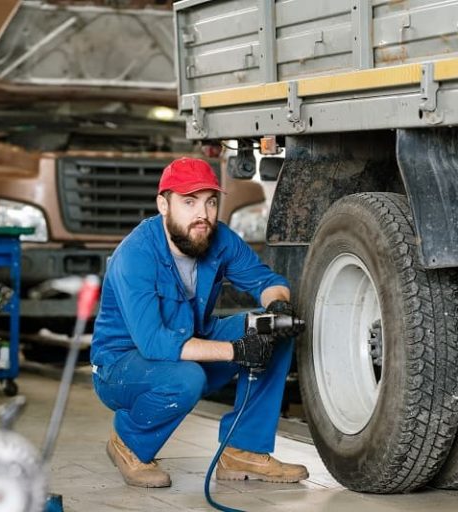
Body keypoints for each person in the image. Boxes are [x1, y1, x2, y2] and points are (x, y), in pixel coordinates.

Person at [90, 157, 308, 488]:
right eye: (189, 202)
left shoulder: (218, 239)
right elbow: (153, 342)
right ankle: (129, 443)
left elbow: (265, 281)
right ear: (163, 205)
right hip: (121, 367)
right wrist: (237, 350)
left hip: (191, 344)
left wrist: (278, 306)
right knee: (186, 378)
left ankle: (244, 450)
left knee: (271, 331)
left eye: (210, 202)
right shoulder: (135, 254)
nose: (202, 214)